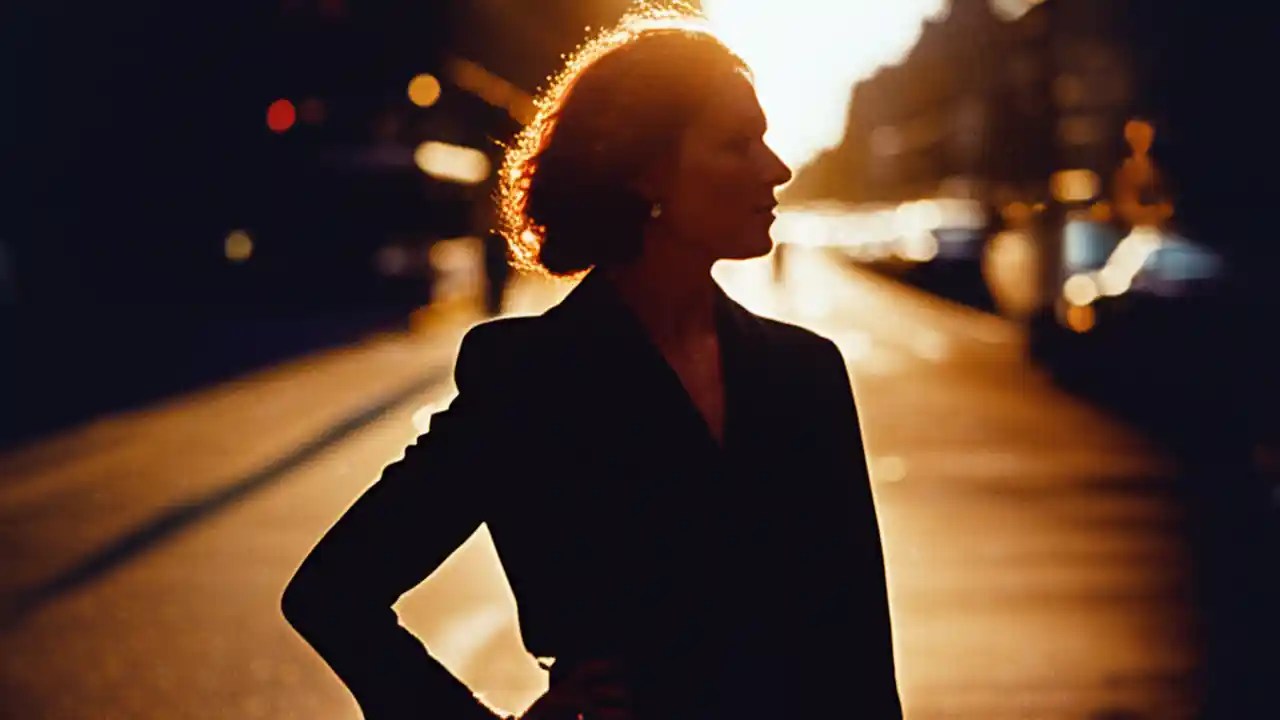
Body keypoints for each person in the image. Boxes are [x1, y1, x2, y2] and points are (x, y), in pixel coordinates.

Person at [282, 10, 901, 720]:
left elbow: (859, 654)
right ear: (645, 174)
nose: (777, 167)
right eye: (739, 143)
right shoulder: (527, 379)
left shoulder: (807, 372)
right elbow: (333, 595)